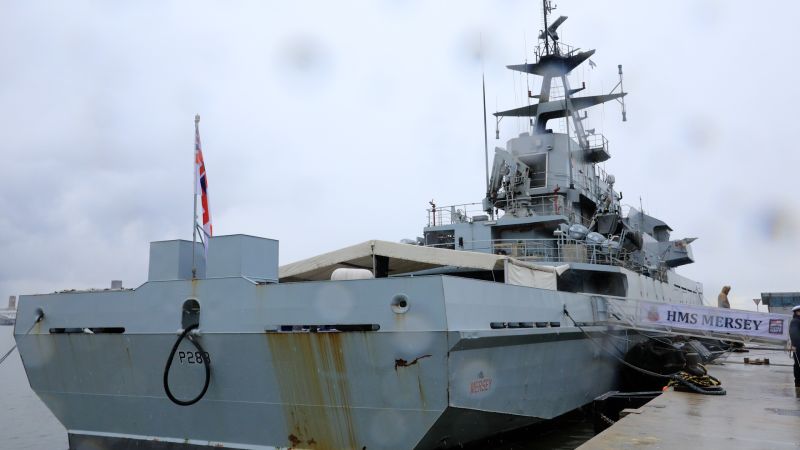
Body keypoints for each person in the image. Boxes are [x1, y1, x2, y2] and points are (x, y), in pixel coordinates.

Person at [790, 305, 800, 387]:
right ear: (796, 312)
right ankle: (798, 382)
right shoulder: (795, 321)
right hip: (798, 347)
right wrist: (794, 345)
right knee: (798, 364)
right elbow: (793, 334)